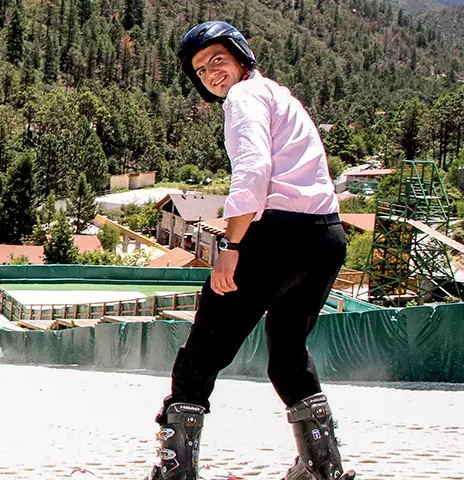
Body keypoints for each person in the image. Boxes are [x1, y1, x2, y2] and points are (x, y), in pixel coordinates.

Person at [146, 22, 354, 480]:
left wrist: (233, 245)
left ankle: (175, 470)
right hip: (325, 237)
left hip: (274, 237)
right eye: (200, 70)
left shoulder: (243, 98)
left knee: (202, 352)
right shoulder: (282, 97)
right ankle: (323, 466)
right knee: (288, 356)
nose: (211, 73)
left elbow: (255, 169)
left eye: (217, 60)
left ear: (241, 56)